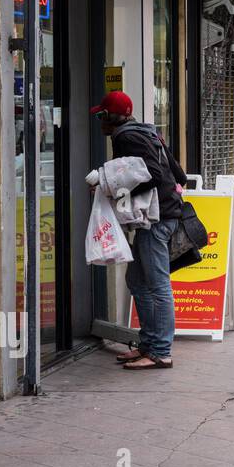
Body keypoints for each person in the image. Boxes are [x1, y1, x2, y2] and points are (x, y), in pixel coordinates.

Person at [91, 91, 185, 371]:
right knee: (137, 281)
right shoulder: (148, 131)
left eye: (101, 116)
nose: (99, 122)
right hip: (164, 215)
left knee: (157, 285)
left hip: (156, 221)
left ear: (111, 117)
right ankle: (147, 344)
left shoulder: (125, 136)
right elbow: (177, 175)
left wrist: (113, 188)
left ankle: (160, 352)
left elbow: (154, 175)